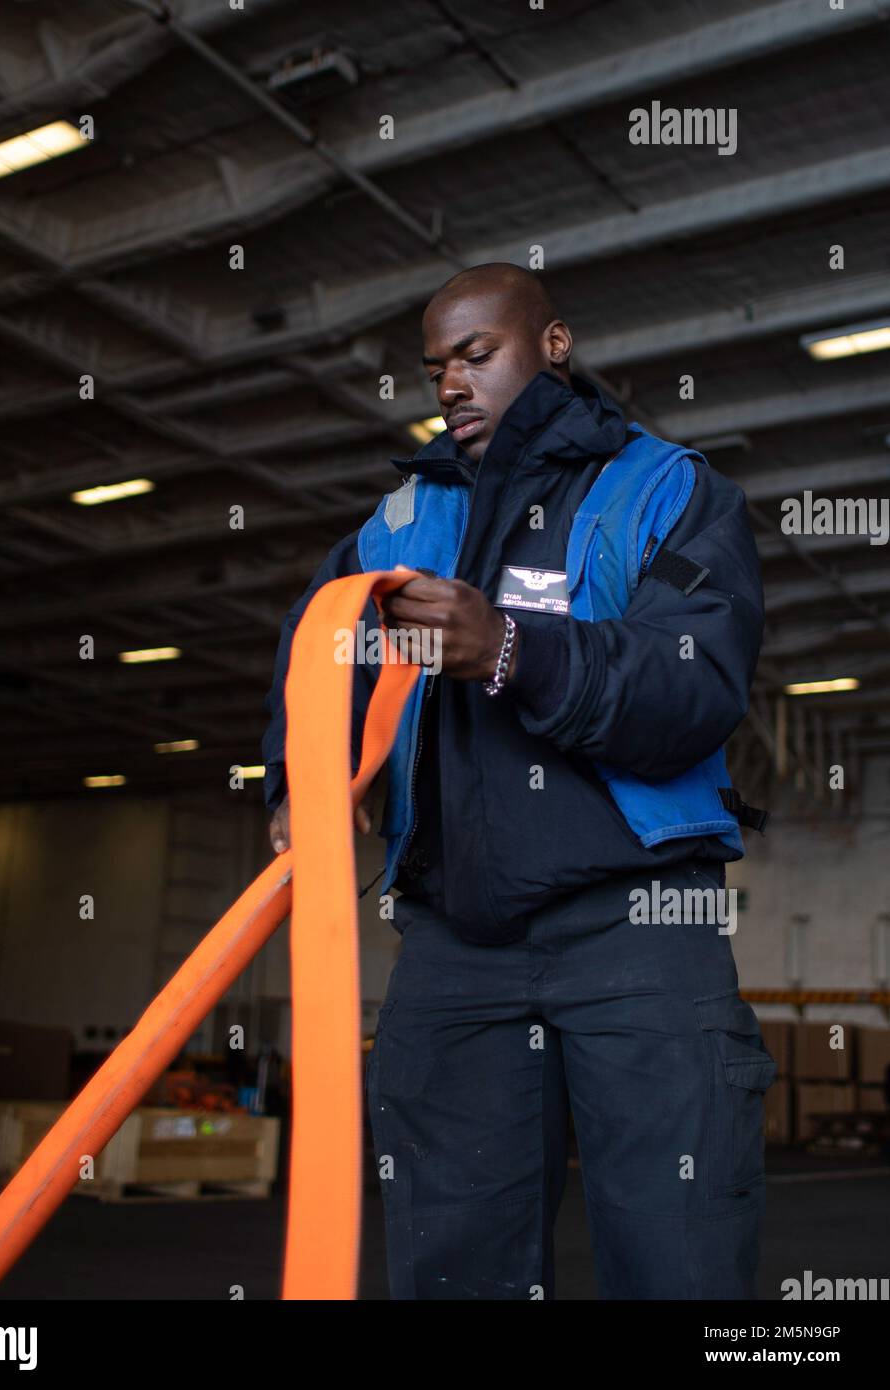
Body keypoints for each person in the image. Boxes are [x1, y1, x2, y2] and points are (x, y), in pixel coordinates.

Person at [261, 261, 777, 1300]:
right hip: (454, 950)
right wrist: (298, 775)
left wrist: (509, 647)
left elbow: (694, 686)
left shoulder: (664, 489)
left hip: (638, 936)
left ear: (550, 344)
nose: (448, 382)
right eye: (433, 366)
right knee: (452, 1261)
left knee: (677, 1253)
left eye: (473, 354)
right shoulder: (403, 519)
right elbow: (312, 641)